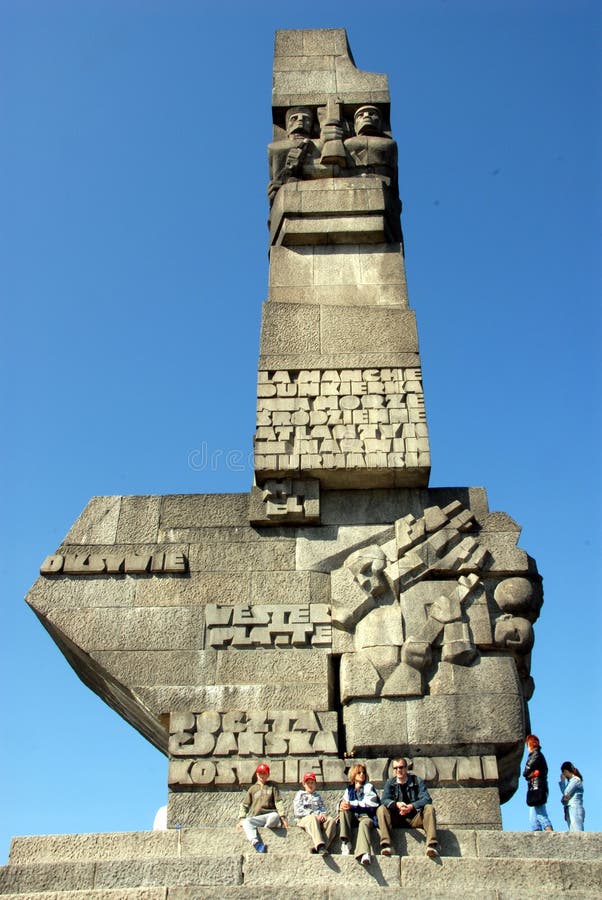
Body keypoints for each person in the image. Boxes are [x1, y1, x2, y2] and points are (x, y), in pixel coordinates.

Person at [376, 757, 439, 858]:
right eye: (395, 768)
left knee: (429, 808)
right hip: (396, 818)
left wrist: (411, 806)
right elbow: (384, 800)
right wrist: (396, 804)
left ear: (406, 768)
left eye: (401, 767)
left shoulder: (417, 781)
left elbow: (427, 799)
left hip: (415, 818)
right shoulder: (390, 782)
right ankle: (387, 845)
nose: (398, 770)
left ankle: (431, 846)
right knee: (381, 809)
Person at [237, 762, 288, 852]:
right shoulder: (252, 789)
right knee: (246, 822)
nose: (262, 775)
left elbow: (278, 802)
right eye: (260, 773)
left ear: (268, 774)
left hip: (270, 816)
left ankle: (265, 831)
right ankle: (256, 843)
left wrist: (283, 818)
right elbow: (245, 805)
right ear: (257, 774)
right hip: (257, 818)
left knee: (274, 816)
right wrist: (241, 819)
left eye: (264, 773)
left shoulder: (272, 786)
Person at [339, 763, 380, 866]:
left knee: (364, 824)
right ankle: (346, 842)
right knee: (343, 810)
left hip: (367, 816)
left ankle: (364, 853)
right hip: (354, 818)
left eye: (363, 772)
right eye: (359, 772)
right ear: (353, 774)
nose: (362, 774)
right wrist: (341, 805)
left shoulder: (368, 787)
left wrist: (351, 805)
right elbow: (345, 801)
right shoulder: (349, 789)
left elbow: (370, 804)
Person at [293, 771, 338, 855]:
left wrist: (322, 815)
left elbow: (322, 809)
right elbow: (298, 810)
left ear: (315, 784)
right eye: (308, 783)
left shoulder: (318, 796)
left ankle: (321, 847)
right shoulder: (300, 794)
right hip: (304, 819)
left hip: (317, 819)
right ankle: (320, 846)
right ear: (304, 784)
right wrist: (313, 815)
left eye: (312, 782)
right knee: (312, 818)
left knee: (331, 820)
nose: (310, 785)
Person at [523, 735, 553, 831]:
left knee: (541, 814)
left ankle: (550, 833)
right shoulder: (538, 755)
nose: (527, 748)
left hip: (537, 788)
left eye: (528, 745)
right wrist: (531, 775)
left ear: (531, 744)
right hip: (535, 788)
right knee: (533, 819)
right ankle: (537, 835)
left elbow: (526, 771)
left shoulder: (536, 754)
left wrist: (529, 774)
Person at [559, 761, 585, 832]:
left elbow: (566, 792)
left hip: (575, 808)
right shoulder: (570, 782)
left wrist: (562, 782)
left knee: (577, 831)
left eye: (563, 772)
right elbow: (565, 796)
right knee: (572, 832)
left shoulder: (576, 780)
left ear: (566, 771)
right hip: (569, 808)